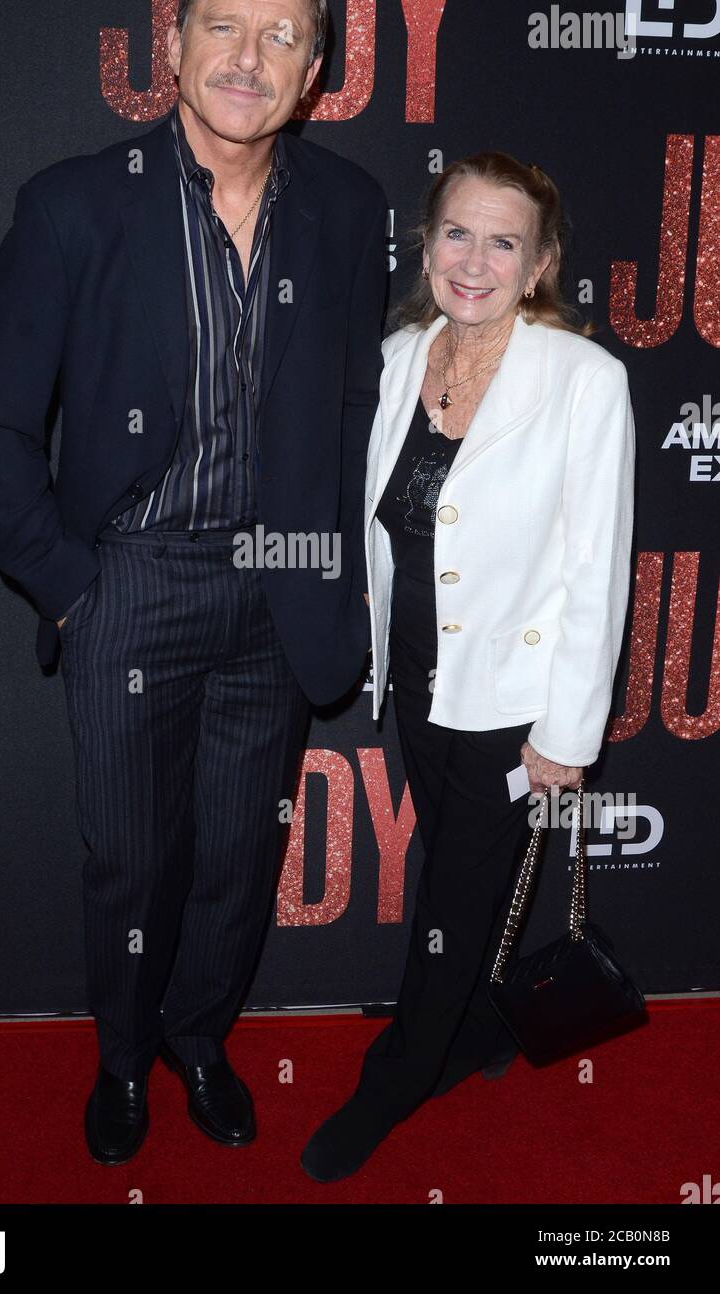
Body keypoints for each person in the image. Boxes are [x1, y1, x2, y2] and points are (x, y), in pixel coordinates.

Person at [0, 0, 388, 1165]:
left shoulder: (350, 209)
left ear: (316, 69)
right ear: (176, 39)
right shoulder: (77, 205)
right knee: (129, 862)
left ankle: (201, 1039)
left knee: (241, 854)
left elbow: (355, 402)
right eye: (224, 26)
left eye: (281, 35)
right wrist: (76, 587)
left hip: (278, 592)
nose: (248, 58)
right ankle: (125, 1057)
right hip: (131, 582)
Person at [301, 153, 636, 1182]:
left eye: (503, 241)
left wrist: (564, 736)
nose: (475, 260)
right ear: (425, 242)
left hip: (511, 701)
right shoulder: (399, 354)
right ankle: (465, 1034)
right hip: (414, 678)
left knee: (452, 893)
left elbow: (597, 566)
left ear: (538, 263)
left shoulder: (583, 380)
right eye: (456, 233)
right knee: (458, 873)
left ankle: (401, 1072)